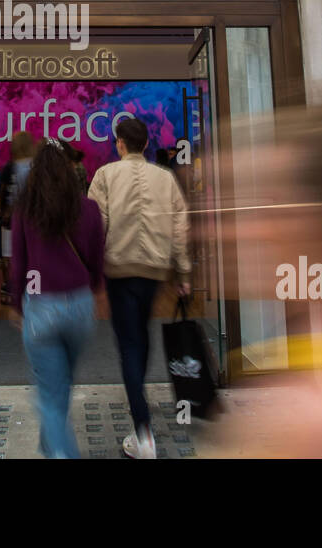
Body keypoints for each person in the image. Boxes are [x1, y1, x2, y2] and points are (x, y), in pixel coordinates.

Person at [88, 116, 191, 459]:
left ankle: (143, 431)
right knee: (142, 336)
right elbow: (180, 225)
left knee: (129, 343)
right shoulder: (166, 179)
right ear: (146, 144)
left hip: (118, 271)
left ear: (120, 143)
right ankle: (139, 402)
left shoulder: (105, 175)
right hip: (155, 271)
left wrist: (92, 275)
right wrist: (183, 270)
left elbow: (95, 225)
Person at [10, 139, 106, 458]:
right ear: (69, 171)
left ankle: (60, 452)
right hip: (79, 307)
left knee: (51, 394)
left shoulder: (25, 210)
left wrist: (14, 304)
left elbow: (19, 263)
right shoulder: (90, 209)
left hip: (40, 307)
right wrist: (94, 291)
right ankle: (51, 445)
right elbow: (97, 260)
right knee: (61, 384)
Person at [0, 131, 37, 308]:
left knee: (9, 256)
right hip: (32, 217)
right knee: (33, 256)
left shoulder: (10, 167)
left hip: (11, 218)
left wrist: (3, 211)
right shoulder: (36, 166)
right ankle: (33, 291)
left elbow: (3, 192)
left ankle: (12, 290)